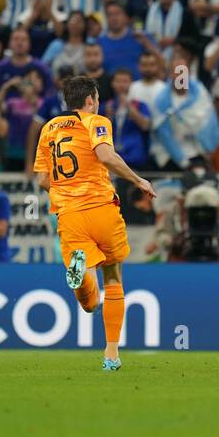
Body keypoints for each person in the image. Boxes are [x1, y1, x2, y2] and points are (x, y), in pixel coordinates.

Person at [34, 74, 157, 371]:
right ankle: (111, 355)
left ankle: (82, 277)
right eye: (98, 99)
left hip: (70, 215)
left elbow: (41, 180)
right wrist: (138, 179)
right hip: (102, 207)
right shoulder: (96, 121)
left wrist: (66, 191)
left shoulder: (48, 129)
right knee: (113, 278)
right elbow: (105, 155)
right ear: (90, 100)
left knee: (88, 301)